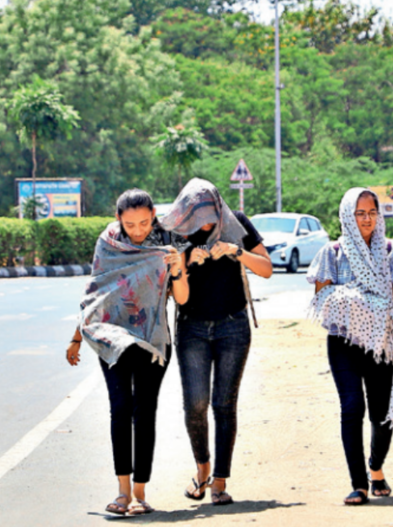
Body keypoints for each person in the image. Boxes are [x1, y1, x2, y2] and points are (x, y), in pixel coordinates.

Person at [307, 188, 393, 506]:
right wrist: (370, 298)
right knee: (352, 408)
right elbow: (323, 299)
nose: (366, 219)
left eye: (371, 213)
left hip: (382, 341)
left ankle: (375, 467)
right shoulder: (332, 253)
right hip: (343, 341)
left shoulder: (392, 252)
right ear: (347, 216)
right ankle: (358, 484)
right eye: (360, 213)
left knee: (380, 414)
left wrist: (356, 298)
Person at [66, 189, 189, 516]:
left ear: (153, 216)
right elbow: (97, 291)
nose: (138, 230)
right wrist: (76, 337)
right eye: (131, 224)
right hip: (113, 337)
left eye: (144, 222)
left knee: (143, 412)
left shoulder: (166, 242)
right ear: (118, 218)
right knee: (120, 408)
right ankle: (121, 492)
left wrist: (178, 268)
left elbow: (183, 298)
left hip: (152, 339)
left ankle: (139, 493)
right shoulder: (107, 243)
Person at [160, 179, 273, 506]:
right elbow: (168, 290)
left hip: (233, 326)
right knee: (195, 404)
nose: (207, 224)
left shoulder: (236, 222)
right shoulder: (176, 233)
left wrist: (237, 251)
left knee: (224, 404)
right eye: (201, 218)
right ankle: (202, 469)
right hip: (192, 328)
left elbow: (266, 269)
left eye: (212, 216)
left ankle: (220, 481)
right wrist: (187, 263)